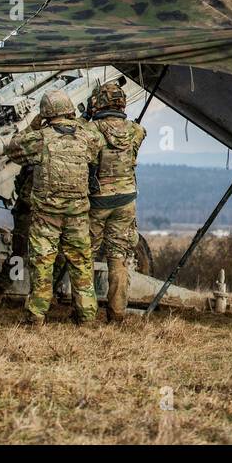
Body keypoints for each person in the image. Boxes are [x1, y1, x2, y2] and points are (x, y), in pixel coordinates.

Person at [6, 90, 103, 326]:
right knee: (81, 262)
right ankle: (87, 316)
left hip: (46, 215)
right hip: (78, 213)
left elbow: (13, 149)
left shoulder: (40, 139)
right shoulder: (86, 138)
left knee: (42, 263)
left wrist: (34, 125)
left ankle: (37, 315)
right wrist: (77, 121)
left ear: (46, 113)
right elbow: (97, 143)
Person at [85, 78, 146, 323]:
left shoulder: (92, 131)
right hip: (126, 199)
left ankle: (85, 311)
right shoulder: (136, 131)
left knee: (86, 256)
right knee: (118, 257)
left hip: (98, 201)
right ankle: (117, 313)